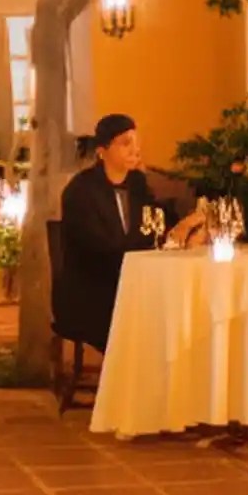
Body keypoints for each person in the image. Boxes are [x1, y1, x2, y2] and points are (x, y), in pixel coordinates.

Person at [57, 114, 205, 353]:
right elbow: (99, 249)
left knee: (185, 304)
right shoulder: (81, 191)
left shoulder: (137, 184)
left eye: (136, 142)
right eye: (126, 143)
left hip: (132, 282)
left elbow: (156, 225)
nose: (135, 150)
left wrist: (186, 231)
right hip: (92, 290)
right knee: (159, 310)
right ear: (102, 150)